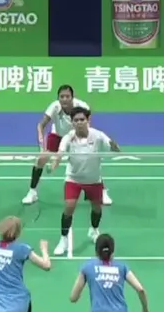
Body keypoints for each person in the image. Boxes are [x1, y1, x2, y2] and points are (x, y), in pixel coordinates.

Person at [22, 85, 112, 206]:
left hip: (76, 136)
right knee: (41, 160)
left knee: (89, 162)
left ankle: (102, 191)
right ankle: (32, 192)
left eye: (67, 96)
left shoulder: (82, 106)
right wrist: (41, 141)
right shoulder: (54, 107)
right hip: (57, 135)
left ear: (72, 97)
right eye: (62, 96)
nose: (64, 99)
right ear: (58, 98)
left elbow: (87, 126)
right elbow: (41, 125)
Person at [48, 107, 120, 256]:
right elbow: (60, 154)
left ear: (88, 120)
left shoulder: (98, 135)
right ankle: (63, 239)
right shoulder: (68, 138)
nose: (79, 123)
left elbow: (113, 148)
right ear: (72, 122)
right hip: (73, 178)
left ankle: (93, 230)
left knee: (97, 208)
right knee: (69, 207)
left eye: (82, 119)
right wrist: (54, 164)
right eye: (76, 120)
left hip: (93, 180)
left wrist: (114, 146)